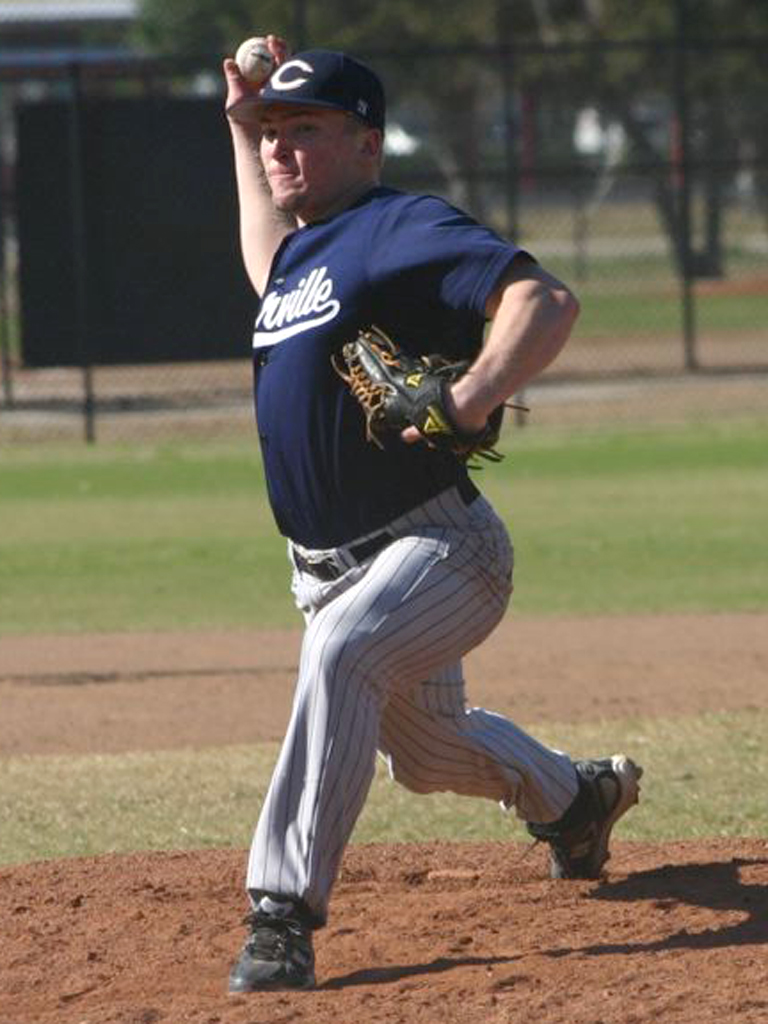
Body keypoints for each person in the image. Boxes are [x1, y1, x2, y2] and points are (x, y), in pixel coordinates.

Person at [222, 37, 642, 993]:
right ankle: (575, 800)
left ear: (368, 143)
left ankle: (281, 914)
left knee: (341, 656)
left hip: (440, 548)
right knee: (427, 753)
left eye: (305, 129)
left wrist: (469, 398)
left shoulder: (398, 226)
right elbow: (263, 251)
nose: (281, 147)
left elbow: (546, 299)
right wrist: (240, 128)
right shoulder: (297, 259)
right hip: (329, 569)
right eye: (273, 132)